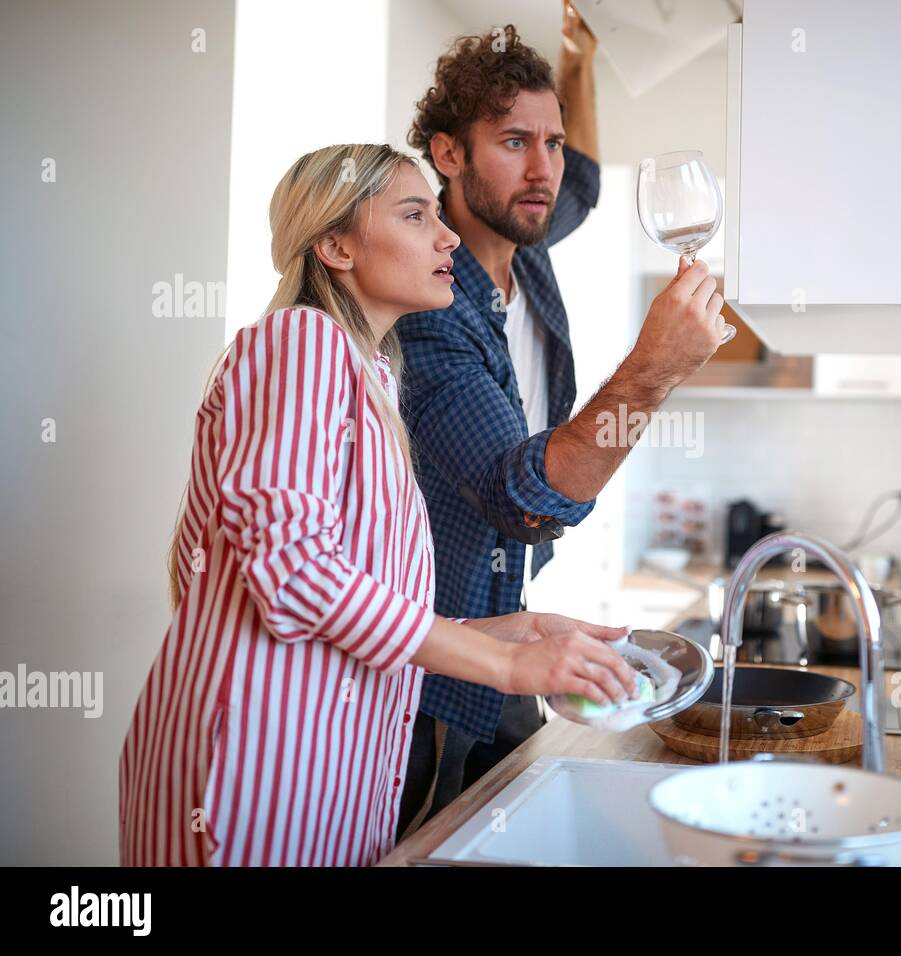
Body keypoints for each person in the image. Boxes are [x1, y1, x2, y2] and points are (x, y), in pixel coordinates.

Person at [119, 143, 638, 867]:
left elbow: (351, 609)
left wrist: (504, 632)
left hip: (319, 781)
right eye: (415, 214)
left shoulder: (370, 377)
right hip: (252, 777)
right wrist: (506, 670)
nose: (448, 237)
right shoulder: (302, 341)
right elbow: (295, 576)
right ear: (335, 245)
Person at [396, 9, 724, 829]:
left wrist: (578, 56)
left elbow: (577, 185)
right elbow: (523, 499)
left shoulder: (525, 242)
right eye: (514, 142)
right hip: (423, 674)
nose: (543, 167)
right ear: (447, 154)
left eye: (555, 139)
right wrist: (658, 367)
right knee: (422, 845)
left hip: (515, 635)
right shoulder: (426, 309)